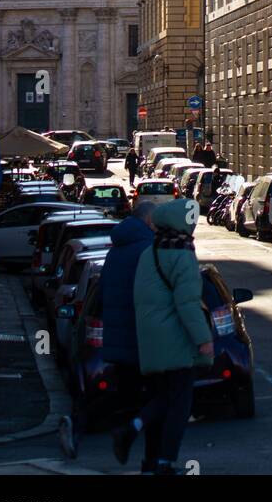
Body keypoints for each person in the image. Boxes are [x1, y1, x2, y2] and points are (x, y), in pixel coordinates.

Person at [113, 198, 214, 475]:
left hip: (150, 341)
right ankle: (164, 462)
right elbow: (188, 302)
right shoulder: (181, 253)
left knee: (162, 398)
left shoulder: (151, 251)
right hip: (176, 341)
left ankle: (137, 438)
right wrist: (203, 340)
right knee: (179, 406)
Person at [58, 200, 156, 462]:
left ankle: (81, 423)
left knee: (125, 394)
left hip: (117, 338)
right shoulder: (147, 250)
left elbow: (101, 295)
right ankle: (147, 453)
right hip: (142, 339)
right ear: (148, 222)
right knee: (161, 395)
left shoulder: (116, 252)